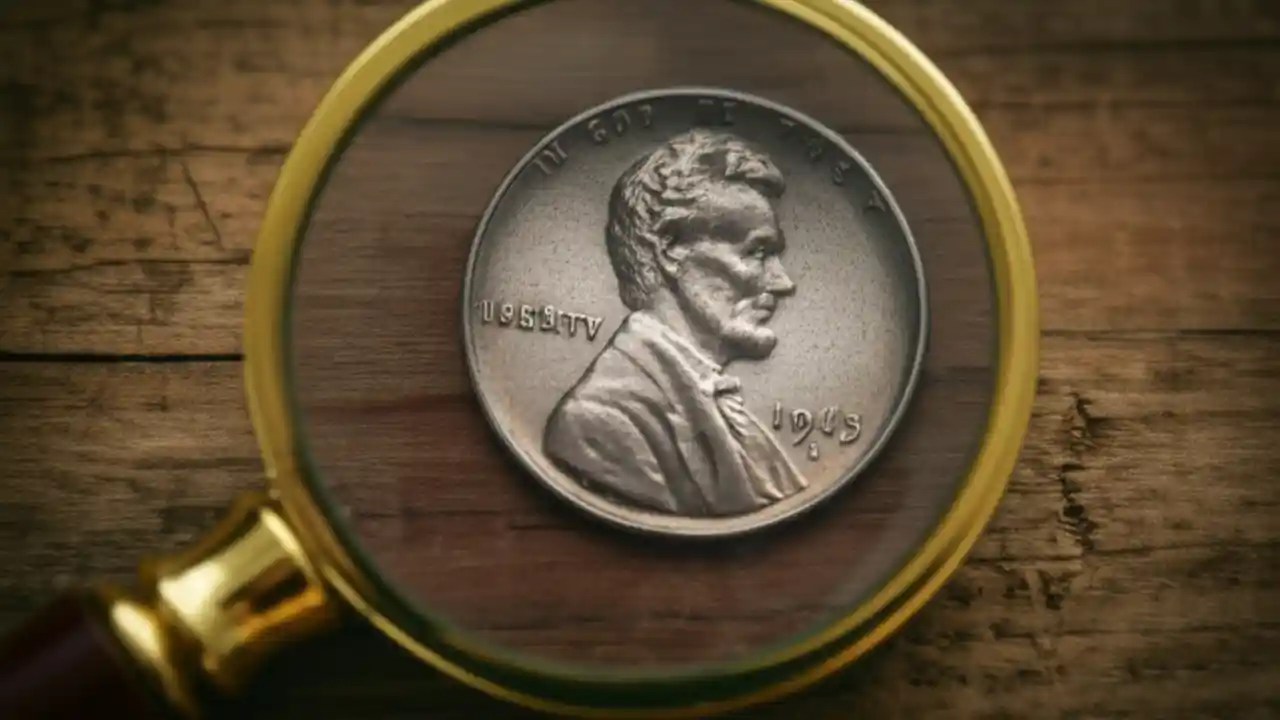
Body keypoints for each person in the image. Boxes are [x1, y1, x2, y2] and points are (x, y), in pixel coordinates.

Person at [543, 129, 808, 517]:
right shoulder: (598, 425)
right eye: (757, 252)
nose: (783, 283)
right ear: (671, 249)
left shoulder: (713, 404)